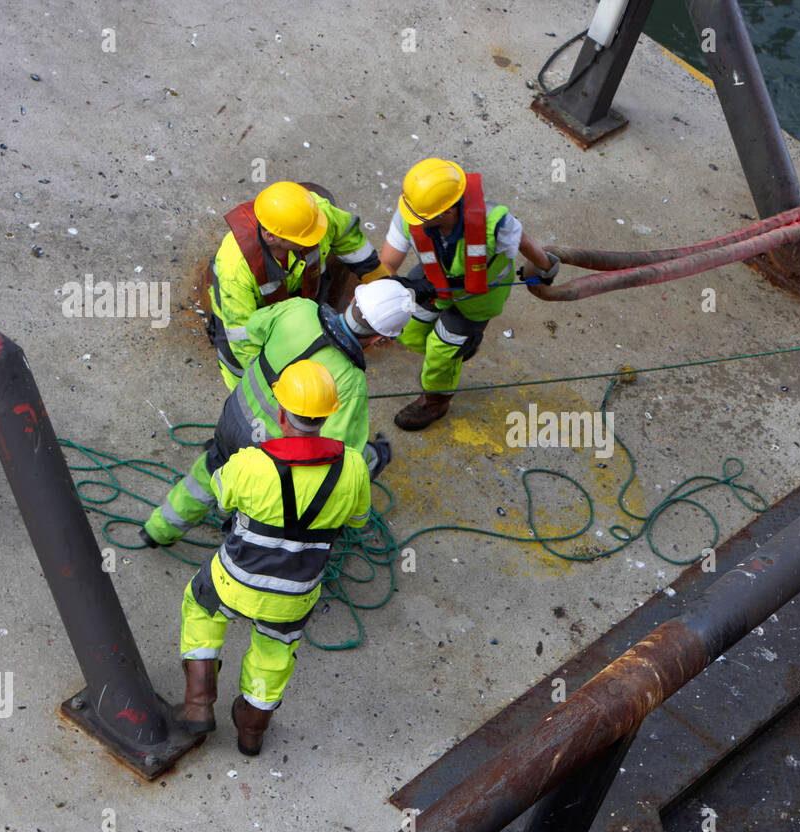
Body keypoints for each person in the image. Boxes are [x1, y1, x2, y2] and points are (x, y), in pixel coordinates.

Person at [173, 360, 372, 755]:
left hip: (236, 579)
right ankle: (251, 732)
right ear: (328, 415)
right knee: (274, 653)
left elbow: (220, 493)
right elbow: (359, 519)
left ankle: (197, 704)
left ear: (281, 414)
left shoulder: (251, 463)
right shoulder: (353, 467)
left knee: (200, 606)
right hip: (296, 593)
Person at [139, 282, 412, 548]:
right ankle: (236, 546)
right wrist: (375, 457)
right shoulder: (351, 383)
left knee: (208, 472)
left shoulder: (299, 310)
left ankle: (158, 530)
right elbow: (338, 454)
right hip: (268, 454)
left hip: (235, 415)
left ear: (354, 299)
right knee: (255, 507)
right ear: (380, 337)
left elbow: (253, 329)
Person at [377, 157, 561, 430]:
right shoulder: (415, 211)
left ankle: (436, 401)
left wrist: (546, 267)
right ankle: (463, 349)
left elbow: (523, 240)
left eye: (424, 219)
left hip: (477, 301)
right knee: (412, 333)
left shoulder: (496, 224)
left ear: (448, 211)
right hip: (431, 285)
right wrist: (383, 298)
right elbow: (388, 263)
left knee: (441, 354)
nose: (415, 222)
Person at [207, 181, 384, 391]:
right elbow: (242, 339)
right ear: (270, 236)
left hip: (300, 304)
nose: (314, 239)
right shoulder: (235, 268)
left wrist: (377, 277)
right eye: (304, 238)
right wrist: (273, 385)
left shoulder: (312, 216)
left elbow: (346, 233)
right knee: (241, 375)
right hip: (249, 324)